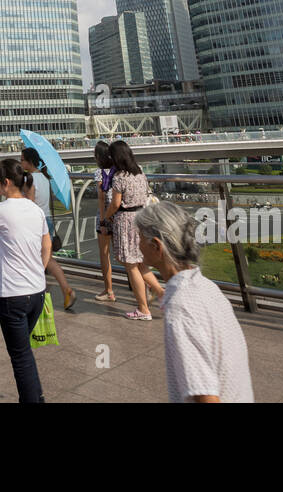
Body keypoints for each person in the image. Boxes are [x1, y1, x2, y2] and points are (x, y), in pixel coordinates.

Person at [136, 201, 254, 402]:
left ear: (156, 246)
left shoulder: (180, 308)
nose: (137, 245)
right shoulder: (207, 287)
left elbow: (205, 396)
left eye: (139, 238)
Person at [0, 158, 50, 403]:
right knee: (24, 352)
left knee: (20, 357)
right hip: (37, 291)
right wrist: (40, 267)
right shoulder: (35, 209)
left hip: (12, 295)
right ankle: (36, 397)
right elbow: (46, 243)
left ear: (5, 183)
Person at [100, 140, 164, 320]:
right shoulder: (140, 171)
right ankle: (161, 292)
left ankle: (143, 309)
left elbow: (116, 203)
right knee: (139, 262)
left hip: (126, 220)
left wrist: (105, 217)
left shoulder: (120, 177)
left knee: (131, 265)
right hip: (141, 218)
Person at [19, 147, 76, 311]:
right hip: (47, 220)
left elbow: (30, 203)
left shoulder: (29, 179)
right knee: (47, 259)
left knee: (37, 260)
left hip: (35, 222)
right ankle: (66, 290)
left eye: (22, 159)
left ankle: (35, 295)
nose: (20, 162)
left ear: (29, 161)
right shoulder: (44, 177)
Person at [92, 140, 118, 303]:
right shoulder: (118, 171)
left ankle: (109, 290)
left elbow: (101, 198)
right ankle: (144, 286)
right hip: (118, 215)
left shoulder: (99, 173)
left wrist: (102, 220)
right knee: (125, 254)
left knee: (105, 254)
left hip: (105, 216)